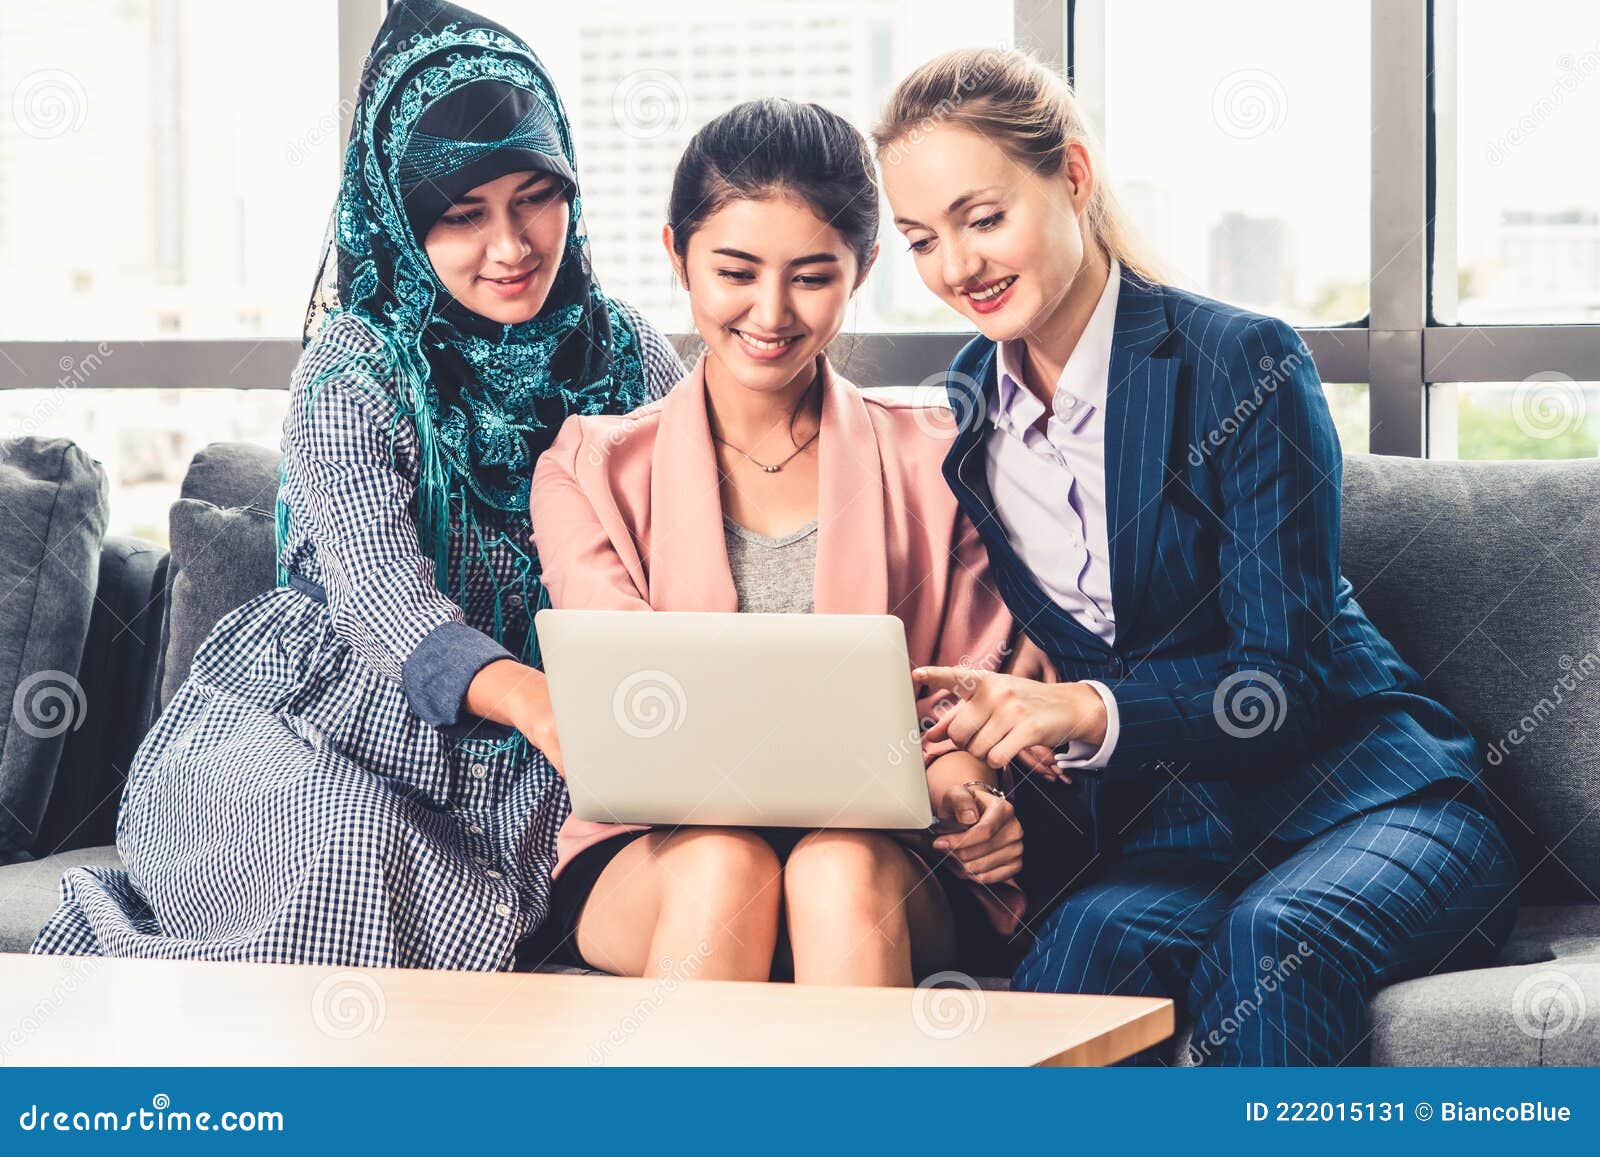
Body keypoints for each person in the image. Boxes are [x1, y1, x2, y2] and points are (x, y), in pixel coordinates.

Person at [873, 48, 1518, 1063]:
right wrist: (994, 754)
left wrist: (1086, 707)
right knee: (1081, 946)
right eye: (920, 239)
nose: (955, 267)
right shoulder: (969, 411)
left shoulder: (1237, 361)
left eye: (981, 217)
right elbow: (1077, 642)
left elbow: (1283, 680)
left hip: (1372, 796)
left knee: (1276, 938)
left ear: (1072, 180)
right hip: (1183, 837)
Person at [31, 0, 683, 970]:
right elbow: (383, 596)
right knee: (348, 848)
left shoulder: (627, 351)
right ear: (399, 214)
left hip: (553, 747)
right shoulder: (355, 366)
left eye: (534, 195)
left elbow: (708, 540)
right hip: (334, 722)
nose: (509, 247)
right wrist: (543, 705)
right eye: (462, 214)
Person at [525, 99, 1024, 986]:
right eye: (736, 270)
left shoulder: (941, 455)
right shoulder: (589, 467)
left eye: (810, 276)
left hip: (889, 851)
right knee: (726, 862)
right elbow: (627, 716)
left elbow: (975, 692)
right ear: (677, 255)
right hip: (660, 851)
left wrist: (967, 786)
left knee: (835, 865)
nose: (770, 311)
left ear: (862, 268)